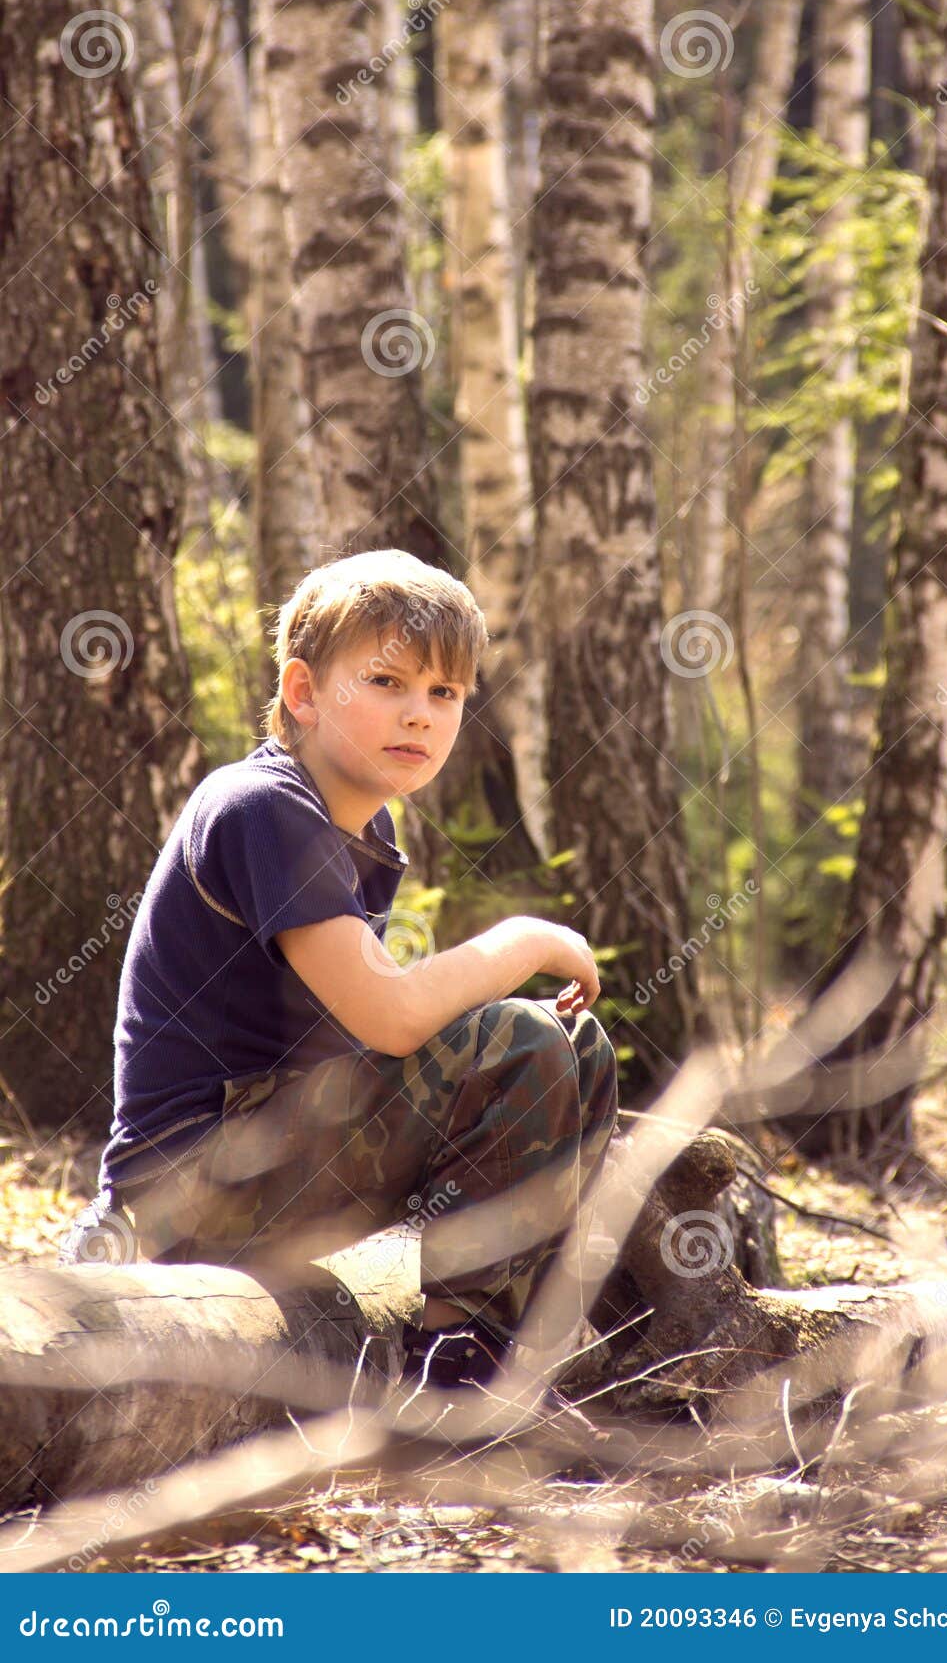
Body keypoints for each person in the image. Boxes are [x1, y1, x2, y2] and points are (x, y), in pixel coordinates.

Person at [59, 549, 619, 1396]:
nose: (420, 715)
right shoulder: (261, 808)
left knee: (578, 1047)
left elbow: (368, 1039)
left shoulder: (360, 830)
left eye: (444, 694)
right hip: (186, 1198)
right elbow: (390, 1021)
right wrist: (523, 940)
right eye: (387, 682)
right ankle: (449, 1376)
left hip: (269, 1160)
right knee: (519, 1036)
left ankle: (520, 1334)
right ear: (304, 692)